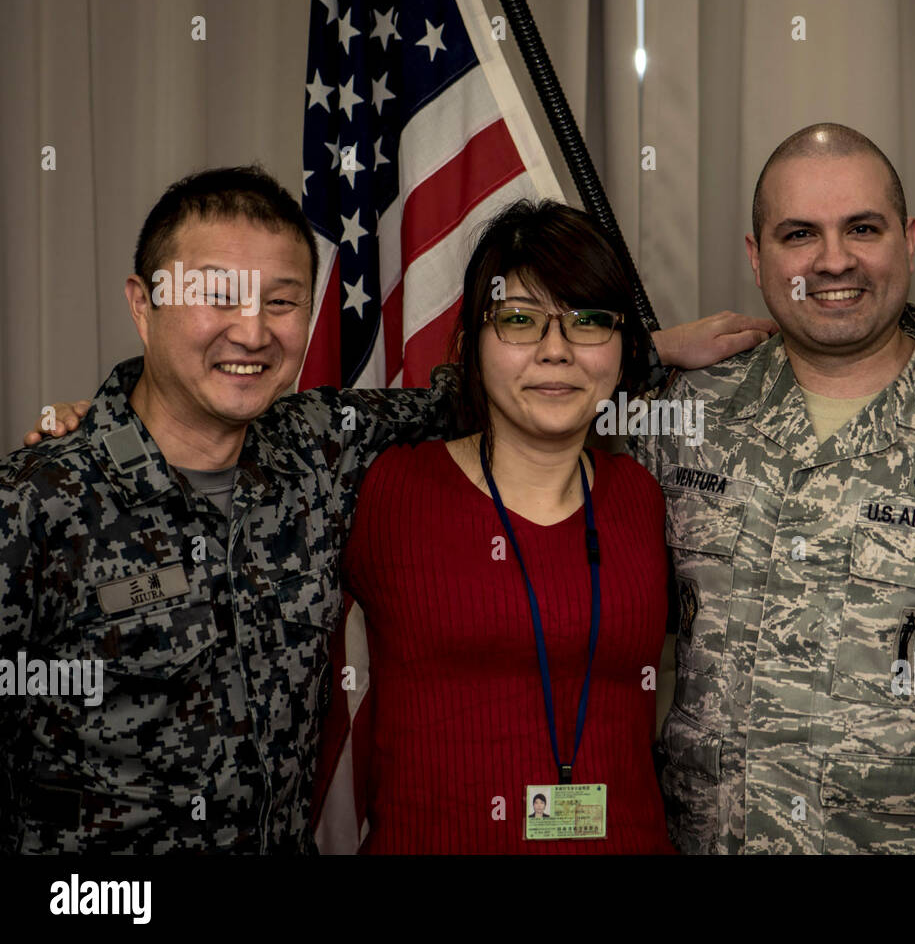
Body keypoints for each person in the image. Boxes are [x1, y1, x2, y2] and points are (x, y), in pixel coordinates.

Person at [3, 168, 769, 853]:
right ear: (144, 305)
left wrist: (641, 349)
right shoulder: (36, 502)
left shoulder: (317, 457)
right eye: (214, 295)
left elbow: (500, 388)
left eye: (281, 301)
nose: (251, 330)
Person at [627, 123, 915, 853]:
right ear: (757, 258)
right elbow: (498, 413)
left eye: (862, 227)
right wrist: (638, 353)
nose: (833, 260)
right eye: (799, 234)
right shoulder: (679, 419)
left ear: (909, 239)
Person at [337, 200, 677, 853]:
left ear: (624, 348)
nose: (556, 351)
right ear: (469, 346)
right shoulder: (387, 488)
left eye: (588, 323)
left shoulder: (646, 496)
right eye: (519, 321)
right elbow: (224, 440)